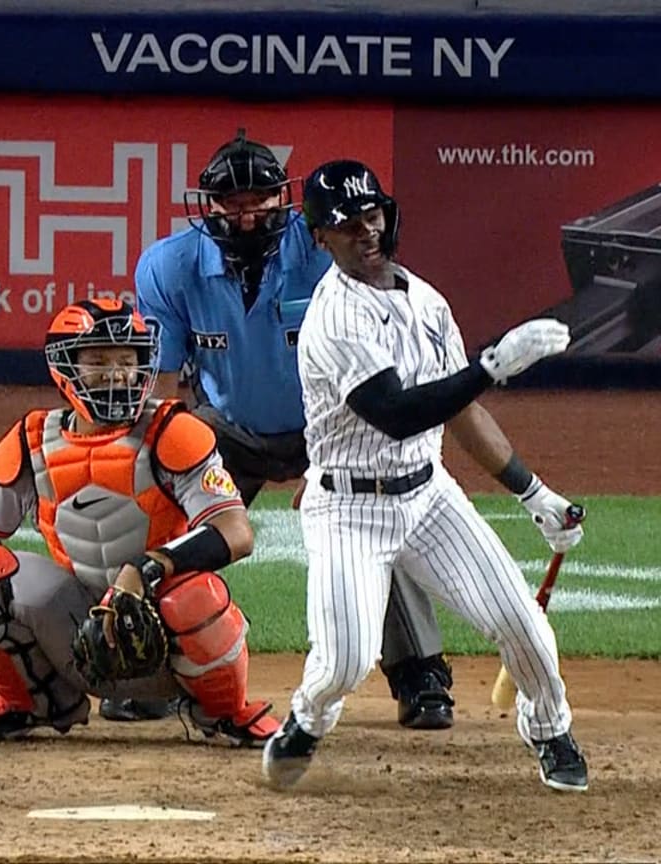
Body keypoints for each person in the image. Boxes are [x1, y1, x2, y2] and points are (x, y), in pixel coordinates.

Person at [261, 159, 590, 793]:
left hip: (428, 495)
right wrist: (491, 364)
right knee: (345, 661)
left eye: (373, 214)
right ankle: (306, 719)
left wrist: (533, 491)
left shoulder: (427, 301)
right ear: (320, 237)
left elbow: (456, 407)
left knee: (523, 626)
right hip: (348, 510)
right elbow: (396, 414)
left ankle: (550, 729)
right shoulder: (334, 318)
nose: (366, 231)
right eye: (347, 224)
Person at [113, 129, 457, 731]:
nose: (247, 214)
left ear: (284, 198)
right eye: (231, 203)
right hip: (230, 431)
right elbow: (165, 384)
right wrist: (165, 468)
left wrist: (336, 463)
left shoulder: (326, 246)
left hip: (333, 426)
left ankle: (421, 673)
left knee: (381, 504)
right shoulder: (169, 266)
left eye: (260, 199)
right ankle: (156, 672)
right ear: (210, 206)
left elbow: (384, 356)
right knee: (166, 509)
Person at [0, 297, 281, 746]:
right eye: (98, 360)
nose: (117, 374)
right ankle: (37, 701)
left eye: (127, 361)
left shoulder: (172, 431)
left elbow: (236, 533)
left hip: (160, 627)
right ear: (65, 367)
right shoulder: (34, 440)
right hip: (75, 631)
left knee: (198, 597)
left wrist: (146, 569)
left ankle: (224, 713)